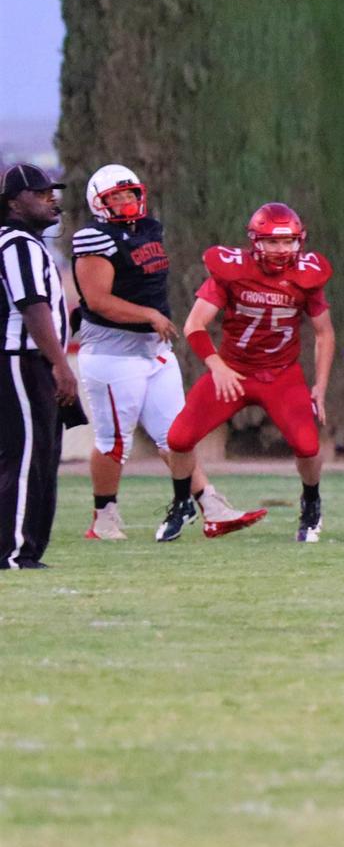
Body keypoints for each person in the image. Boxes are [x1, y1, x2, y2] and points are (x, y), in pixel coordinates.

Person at [70, 164, 263, 541]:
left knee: (177, 435)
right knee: (115, 442)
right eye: (116, 197)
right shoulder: (95, 238)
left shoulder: (149, 229)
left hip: (154, 349)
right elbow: (98, 300)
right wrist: (149, 314)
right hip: (113, 352)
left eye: (129, 194)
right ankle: (104, 517)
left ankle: (211, 505)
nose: (125, 202)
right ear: (99, 202)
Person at [165, 203, 335, 543]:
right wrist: (218, 367)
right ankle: (183, 502)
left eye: (288, 242)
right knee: (178, 439)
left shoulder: (307, 277)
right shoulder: (232, 270)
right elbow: (195, 325)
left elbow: (324, 333)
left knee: (307, 445)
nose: (281, 250)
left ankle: (311, 503)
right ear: (255, 242)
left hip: (281, 375)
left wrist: (320, 385)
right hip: (234, 372)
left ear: (300, 241)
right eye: (272, 242)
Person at [2, 165, 72, 569]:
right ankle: (15, 551)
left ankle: (23, 548)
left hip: (29, 361)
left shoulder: (27, 244)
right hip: (22, 361)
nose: (51, 198)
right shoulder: (17, 244)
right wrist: (60, 365)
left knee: (36, 454)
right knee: (27, 455)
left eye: (52, 191)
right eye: (40, 192)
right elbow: (31, 307)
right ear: (14, 202)